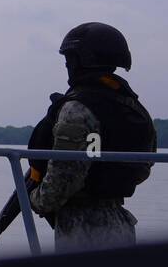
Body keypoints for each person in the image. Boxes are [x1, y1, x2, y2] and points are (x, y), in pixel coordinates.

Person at [27, 22, 157, 252]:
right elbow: (143, 166)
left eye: (70, 58)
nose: (67, 65)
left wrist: (34, 199)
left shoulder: (77, 108)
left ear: (81, 59)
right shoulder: (131, 105)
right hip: (121, 222)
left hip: (82, 229)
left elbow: (64, 178)